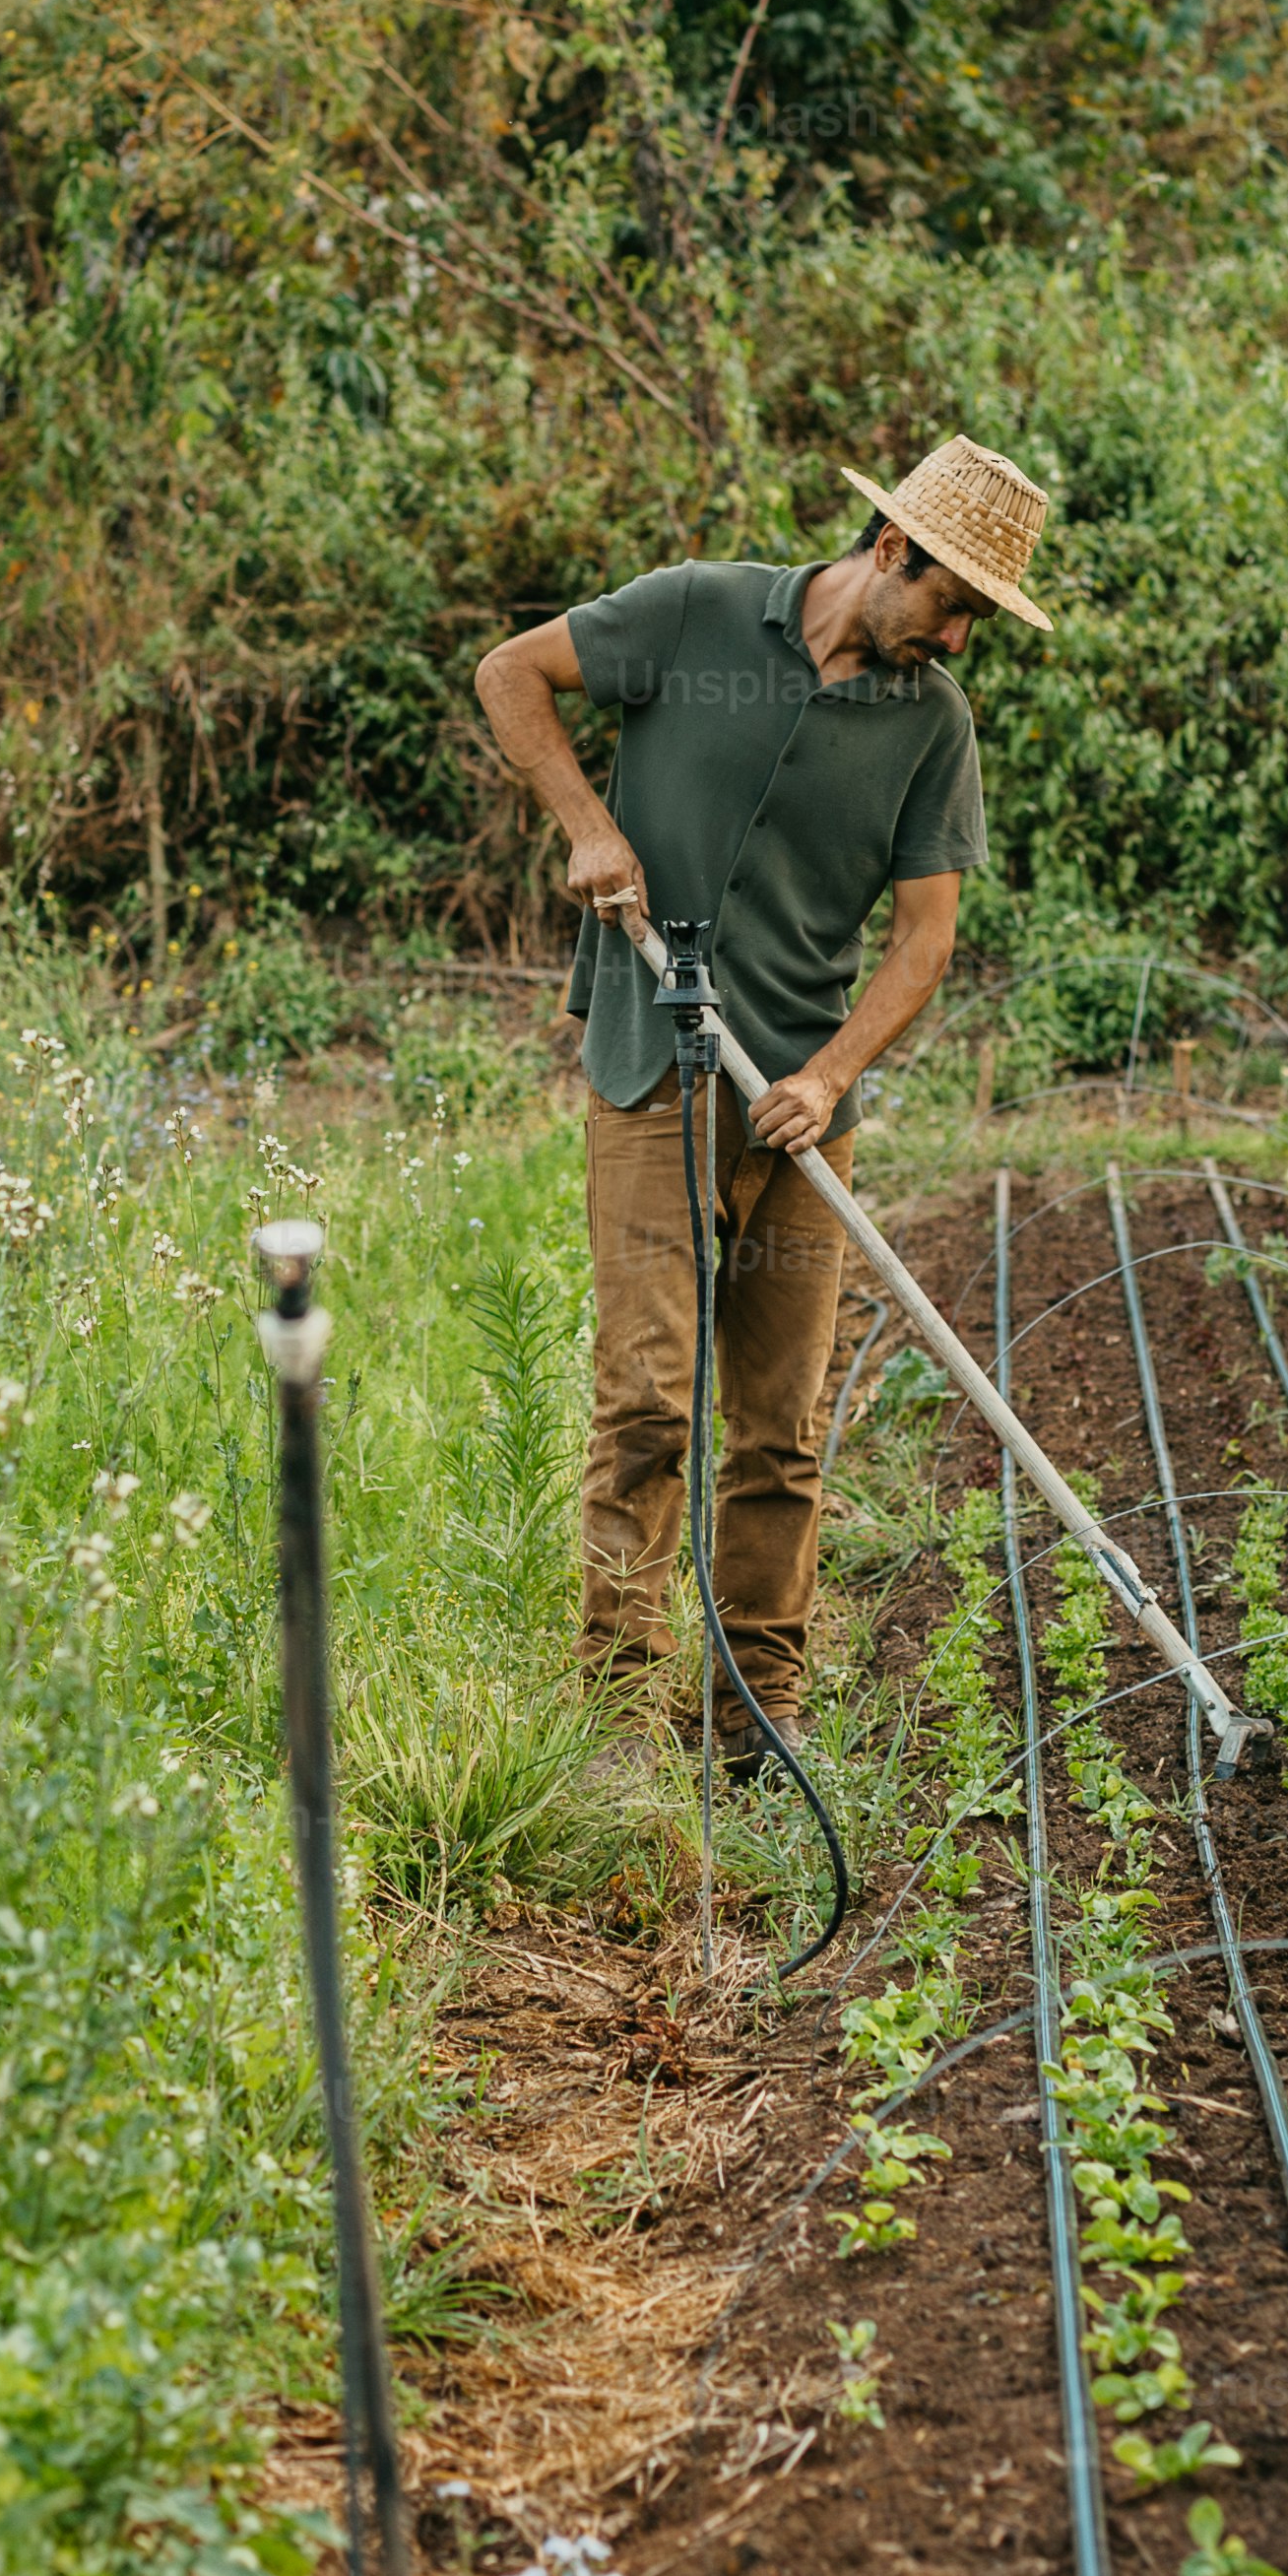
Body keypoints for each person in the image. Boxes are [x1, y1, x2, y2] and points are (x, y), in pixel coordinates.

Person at [470, 438, 1059, 1762]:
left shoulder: (931, 725)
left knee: (783, 1425)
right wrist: (586, 824)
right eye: (951, 601)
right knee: (646, 1397)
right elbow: (511, 674)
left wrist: (829, 1075)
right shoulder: (695, 613)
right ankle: (618, 1709)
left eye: (976, 618)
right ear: (892, 548)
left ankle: (757, 1708)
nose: (957, 635)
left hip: (798, 1104)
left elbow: (924, 944)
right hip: (651, 1065)